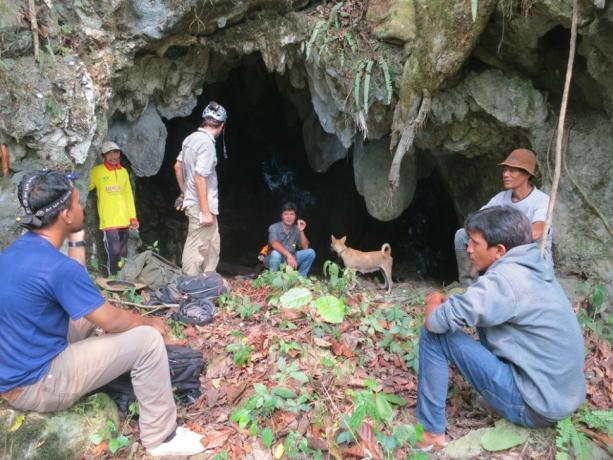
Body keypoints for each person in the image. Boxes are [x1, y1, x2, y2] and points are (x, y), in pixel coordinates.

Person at [0, 171, 205, 456]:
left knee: (85, 313)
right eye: (77, 202)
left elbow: (75, 290)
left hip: (14, 374)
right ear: (65, 215)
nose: (82, 207)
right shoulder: (56, 267)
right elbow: (110, 319)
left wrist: (77, 239)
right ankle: (162, 439)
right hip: (38, 384)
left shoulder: (14, 252)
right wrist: (150, 322)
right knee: (146, 341)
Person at [416, 206, 585, 450]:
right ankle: (497, 397)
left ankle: (430, 435)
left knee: (434, 336)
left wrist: (433, 301)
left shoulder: (504, 282)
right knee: (483, 318)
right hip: (562, 396)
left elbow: (435, 322)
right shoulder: (533, 265)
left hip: (535, 405)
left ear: (499, 251)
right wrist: (454, 305)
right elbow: (481, 302)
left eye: (474, 243)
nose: (468, 249)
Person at [455, 148, 552, 286]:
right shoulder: (500, 198)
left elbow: (536, 232)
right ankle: (468, 285)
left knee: (500, 244)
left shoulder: (542, 200)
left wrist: (501, 236)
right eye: (505, 170)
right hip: (503, 250)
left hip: (531, 255)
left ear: (526, 174)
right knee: (462, 235)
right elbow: (474, 224)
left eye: (512, 170)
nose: (506, 174)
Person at [174, 101, 227, 275]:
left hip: (195, 202)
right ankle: (191, 285)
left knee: (213, 244)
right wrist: (205, 211)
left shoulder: (190, 139)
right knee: (196, 247)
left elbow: (177, 166)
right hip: (201, 205)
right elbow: (200, 177)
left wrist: (183, 193)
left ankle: (207, 280)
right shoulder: (207, 144)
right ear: (222, 126)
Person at [89, 141, 139, 275]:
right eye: (109, 154)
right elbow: (86, 187)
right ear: (103, 156)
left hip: (124, 219)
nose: (113, 156)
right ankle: (112, 278)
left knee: (123, 252)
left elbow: (128, 195)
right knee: (114, 251)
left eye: (116, 152)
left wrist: (132, 217)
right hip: (109, 221)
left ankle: (121, 277)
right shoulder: (97, 172)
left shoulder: (123, 172)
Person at [265, 201, 316, 277]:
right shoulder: (274, 227)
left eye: (292, 214)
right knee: (275, 254)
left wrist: (301, 231)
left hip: (291, 260)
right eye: (286, 214)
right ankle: (273, 278)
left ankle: (300, 280)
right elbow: (274, 244)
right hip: (274, 260)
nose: (289, 217)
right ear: (282, 216)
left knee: (311, 253)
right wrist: (289, 256)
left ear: (295, 217)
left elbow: (305, 247)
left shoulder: (296, 229)